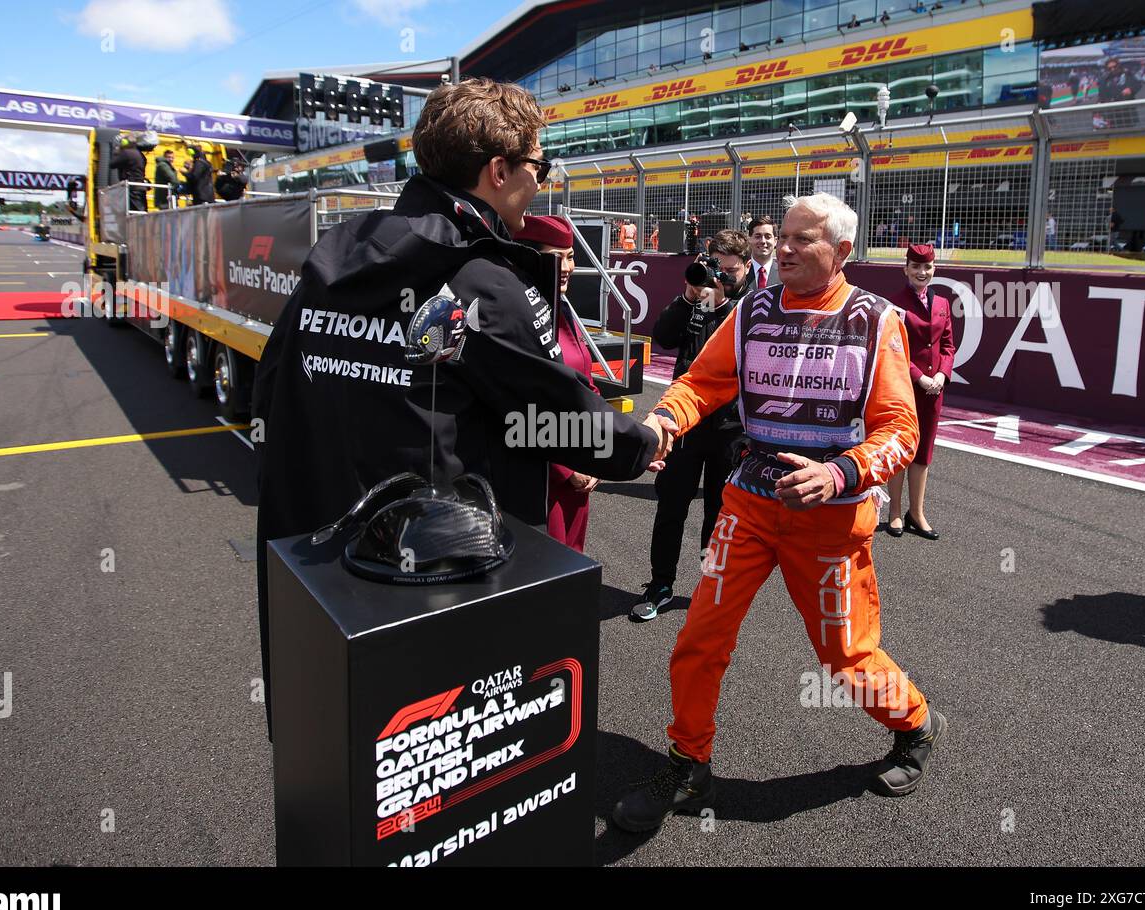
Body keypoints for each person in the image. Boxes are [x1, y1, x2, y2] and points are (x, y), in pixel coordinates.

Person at [252, 78, 667, 739]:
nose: (539, 182)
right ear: (499, 171)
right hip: (435, 572)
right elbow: (551, 415)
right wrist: (642, 441)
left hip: (316, 565)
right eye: (539, 166)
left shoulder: (340, 248)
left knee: (336, 761)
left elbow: (272, 383)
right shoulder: (476, 277)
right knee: (451, 772)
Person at [611, 193, 946, 832]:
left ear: (842, 252)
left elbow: (901, 429)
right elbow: (700, 385)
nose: (784, 249)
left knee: (846, 659)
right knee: (699, 637)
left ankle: (915, 723)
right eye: (783, 236)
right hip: (748, 503)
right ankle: (688, 761)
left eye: (803, 240)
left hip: (832, 519)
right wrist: (660, 426)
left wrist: (841, 471)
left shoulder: (878, 321)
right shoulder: (751, 311)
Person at [632, 229, 750, 621]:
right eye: (718, 269)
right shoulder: (695, 300)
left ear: (747, 269)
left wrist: (726, 303)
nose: (722, 278)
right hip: (686, 422)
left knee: (719, 512)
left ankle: (709, 586)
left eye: (731, 272)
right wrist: (690, 298)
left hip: (732, 427)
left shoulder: (753, 308)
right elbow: (663, 336)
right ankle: (660, 583)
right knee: (671, 506)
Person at [514, 214, 599, 552]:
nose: (567, 267)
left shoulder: (560, 308)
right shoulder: (518, 315)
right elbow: (517, 402)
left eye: (571, 256)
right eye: (556, 257)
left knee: (573, 565)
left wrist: (598, 454)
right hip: (540, 477)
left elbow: (587, 387)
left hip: (579, 468)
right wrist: (565, 469)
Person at [883, 244, 953, 541]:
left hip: (933, 391)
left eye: (927, 268)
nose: (922, 273)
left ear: (934, 269)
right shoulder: (895, 304)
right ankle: (895, 512)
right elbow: (894, 349)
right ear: (906, 270)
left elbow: (948, 346)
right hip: (906, 387)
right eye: (916, 268)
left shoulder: (942, 304)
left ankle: (917, 512)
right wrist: (920, 377)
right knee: (902, 449)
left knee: (923, 452)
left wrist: (941, 374)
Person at [108, 134, 147, 212]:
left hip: (131, 187)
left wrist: (116, 151)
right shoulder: (140, 154)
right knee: (140, 211)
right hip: (140, 186)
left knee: (133, 212)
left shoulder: (126, 153)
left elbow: (112, 164)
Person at [747, 214, 775, 289]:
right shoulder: (741, 271)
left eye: (767, 236)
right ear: (749, 239)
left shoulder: (785, 272)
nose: (763, 241)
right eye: (758, 236)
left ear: (775, 241)